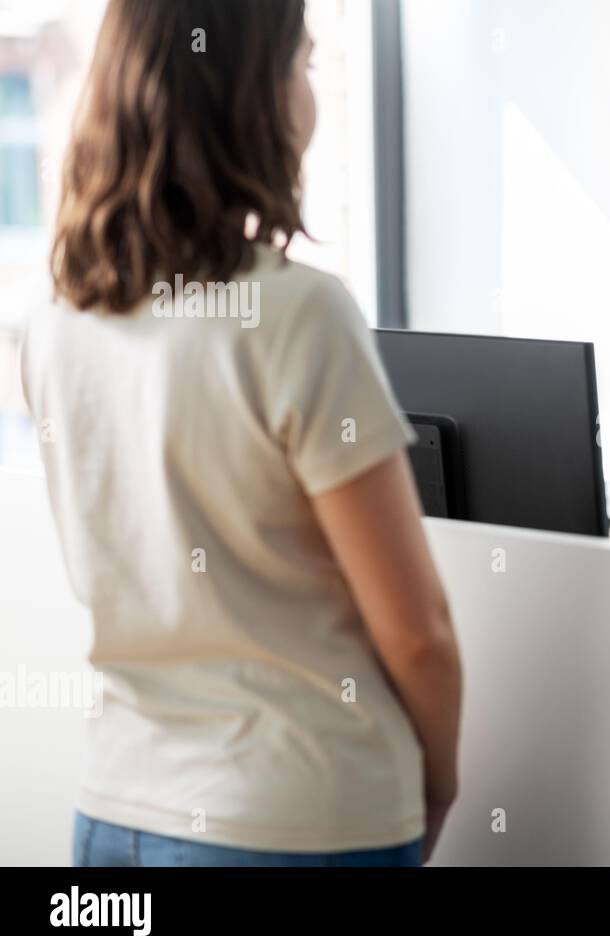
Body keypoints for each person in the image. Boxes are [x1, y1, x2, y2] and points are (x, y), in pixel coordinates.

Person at [20, 0, 461, 866]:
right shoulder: (300, 313)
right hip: (292, 820)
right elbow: (416, 633)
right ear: (247, 91)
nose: (311, 93)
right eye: (299, 62)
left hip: (114, 813)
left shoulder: (55, 321)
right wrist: (436, 783)